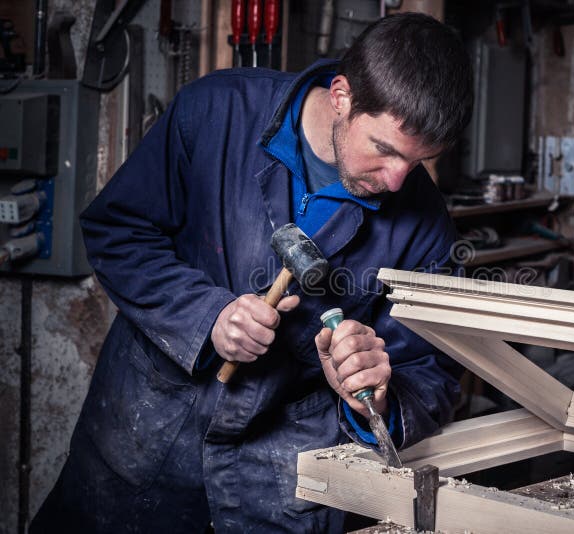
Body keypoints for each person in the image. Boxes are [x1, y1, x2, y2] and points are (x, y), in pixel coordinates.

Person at [32, 12, 472, 533]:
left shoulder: (425, 222)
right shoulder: (216, 111)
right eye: (384, 150)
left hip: (283, 470)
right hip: (150, 429)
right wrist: (207, 316)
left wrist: (373, 393)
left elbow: (433, 373)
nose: (398, 180)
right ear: (341, 96)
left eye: (419, 161)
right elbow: (118, 231)